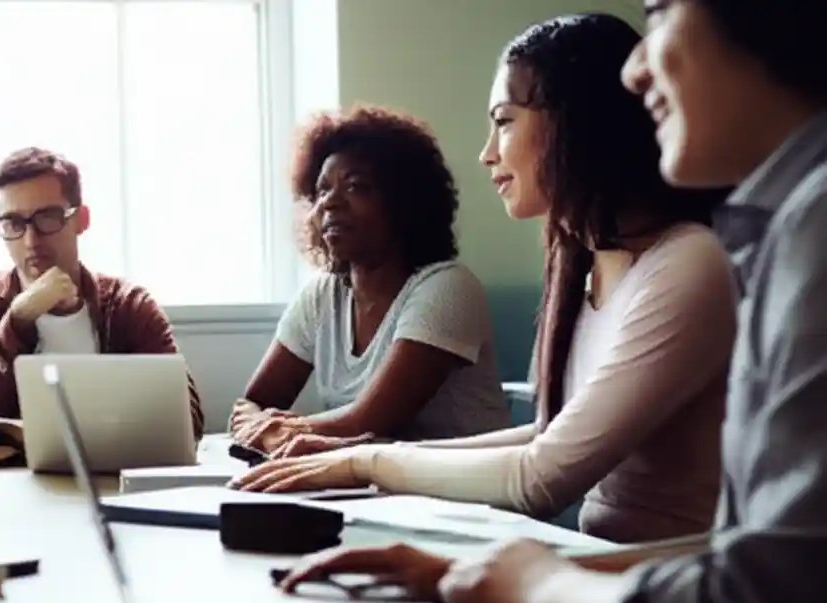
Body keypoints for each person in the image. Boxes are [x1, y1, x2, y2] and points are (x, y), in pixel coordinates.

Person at [271, 1, 827, 603]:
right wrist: (501, 573)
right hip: (629, 594)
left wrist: (367, 461)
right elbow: (748, 561)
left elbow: (548, 474)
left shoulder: (707, 259)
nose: (637, 68)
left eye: (660, 11)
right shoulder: (619, 254)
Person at [233, 14, 734, 543]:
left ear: (575, 121)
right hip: (599, 562)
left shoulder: (688, 262)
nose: (487, 152)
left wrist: (366, 463)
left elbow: (541, 476)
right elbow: (549, 433)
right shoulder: (582, 266)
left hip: (672, 583)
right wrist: (355, 456)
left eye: (504, 120)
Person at [229, 106, 510, 458]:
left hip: (461, 498)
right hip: (366, 490)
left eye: (356, 187)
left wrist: (273, 431)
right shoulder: (322, 294)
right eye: (322, 190)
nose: (330, 202)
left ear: (405, 205)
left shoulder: (448, 288)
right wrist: (268, 429)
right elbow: (251, 406)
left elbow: (369, 423)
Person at [0, 146, 204, 437]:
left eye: (48, 217)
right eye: (13, 223)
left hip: (109, 475)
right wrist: (17, 321)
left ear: (82, 219)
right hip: (8, 477)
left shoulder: (129, 306)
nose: (30, 240)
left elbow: (189, 423)